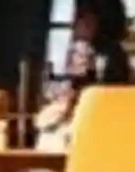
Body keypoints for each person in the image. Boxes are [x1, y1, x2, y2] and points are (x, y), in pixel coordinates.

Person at [35, 0, 131, 150]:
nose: (75, 24)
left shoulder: (109, 56)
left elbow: (99, 98)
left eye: (81, 17)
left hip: (98, 126)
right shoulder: (90, 52)